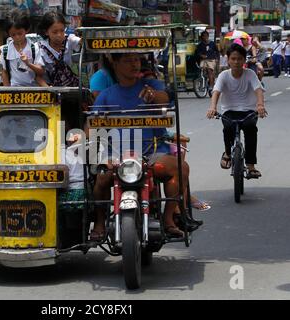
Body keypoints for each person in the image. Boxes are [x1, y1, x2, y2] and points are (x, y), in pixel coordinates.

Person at [90, 53, 200, 240]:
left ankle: (169, 220)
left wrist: (155, 96)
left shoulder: (152, 86)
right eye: (127, 60)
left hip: (154, 152)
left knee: (181, 168)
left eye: (136, 60)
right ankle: (100, 223)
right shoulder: (106, 95)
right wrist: (79, 136)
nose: (134, 64)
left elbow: (164, 98)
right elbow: (91, 124)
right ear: (115, 65)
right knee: (101, 178)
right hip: (116, 154)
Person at [206, 44, 267, 179]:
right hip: (229, 111)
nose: (236, 62)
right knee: (228, 128)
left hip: (248, 111)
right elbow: (216, 92)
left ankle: (251, 166)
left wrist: (260, 105)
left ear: (244, 60)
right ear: (228, 60)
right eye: (233, 59)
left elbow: (258, 90)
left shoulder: (250, 74)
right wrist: (212, 107)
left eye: (239, 59)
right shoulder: (223, 75)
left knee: (251, 129)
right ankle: (228, 153)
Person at [0, 9, 45, 87]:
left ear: (26, 30)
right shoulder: (5, 51)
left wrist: (28, 63)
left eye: (20, 33)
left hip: (33, 91)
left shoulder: (35, 48)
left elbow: (41, 71)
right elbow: (4, 72)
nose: (17, 37)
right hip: (15, 90)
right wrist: (7, 91)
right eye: (13, 35)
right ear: (8, 33)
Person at [37, 11, 81, 87]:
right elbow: (38, 77)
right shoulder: (40, 48)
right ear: (46, 32)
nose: (59, 35)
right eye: (55, 32)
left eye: (62, 30)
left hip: (70, 87)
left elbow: (83, 42)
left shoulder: (69, 40)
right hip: (50, 88)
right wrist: (50, 91)